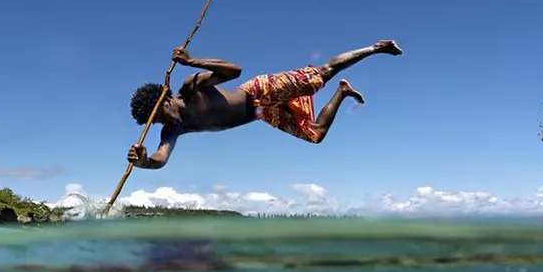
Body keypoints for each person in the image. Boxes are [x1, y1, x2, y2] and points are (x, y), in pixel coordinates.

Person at [126, 39, 403, 169]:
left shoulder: (191, 87)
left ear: (164, 100)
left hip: (261, 91)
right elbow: (161, 159)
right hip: (262, 113)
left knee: (322, 74)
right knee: (315, 135)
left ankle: (376, 48)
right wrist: (144, 162)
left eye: (161, 117)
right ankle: (343, 92)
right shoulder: (173, 130)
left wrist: (192, 61)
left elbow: (234, 71)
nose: (165, 124)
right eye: (159, 124)